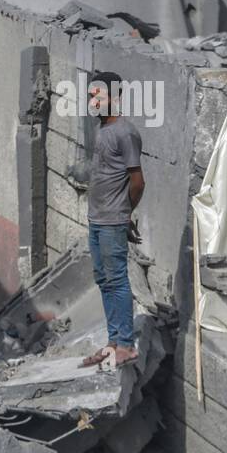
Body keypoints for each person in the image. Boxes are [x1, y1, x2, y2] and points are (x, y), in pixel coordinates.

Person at [81, 71, 145, 368]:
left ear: (115, 98)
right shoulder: (102, 129)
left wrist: (124, 213)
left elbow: (137, 181)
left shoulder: (125, 132)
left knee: (116, 279)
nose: (92, 100)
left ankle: (127, 345)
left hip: (112, 220)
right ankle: (113, 341)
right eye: (91, 94)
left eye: (98, 95)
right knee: (103, 279)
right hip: (97, 219)